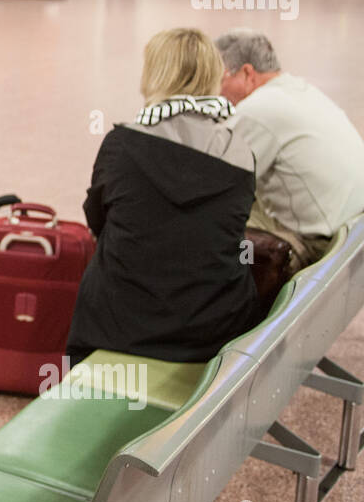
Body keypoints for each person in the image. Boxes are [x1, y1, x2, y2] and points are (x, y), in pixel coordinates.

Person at [66, 28, 259, 366]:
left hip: (119, 328)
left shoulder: (122, 144)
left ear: (154, 73)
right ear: (213, 75)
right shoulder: (241, 153)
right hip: (216, 328)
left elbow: (96, 220)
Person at [215, 29, 364, 272]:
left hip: (315, 244)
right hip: (353, 226)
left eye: (221, 78)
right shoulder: (300, 89)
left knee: (204, 221)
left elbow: (214, 177)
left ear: (247, 73)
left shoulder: (258, 109)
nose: (217, 91)